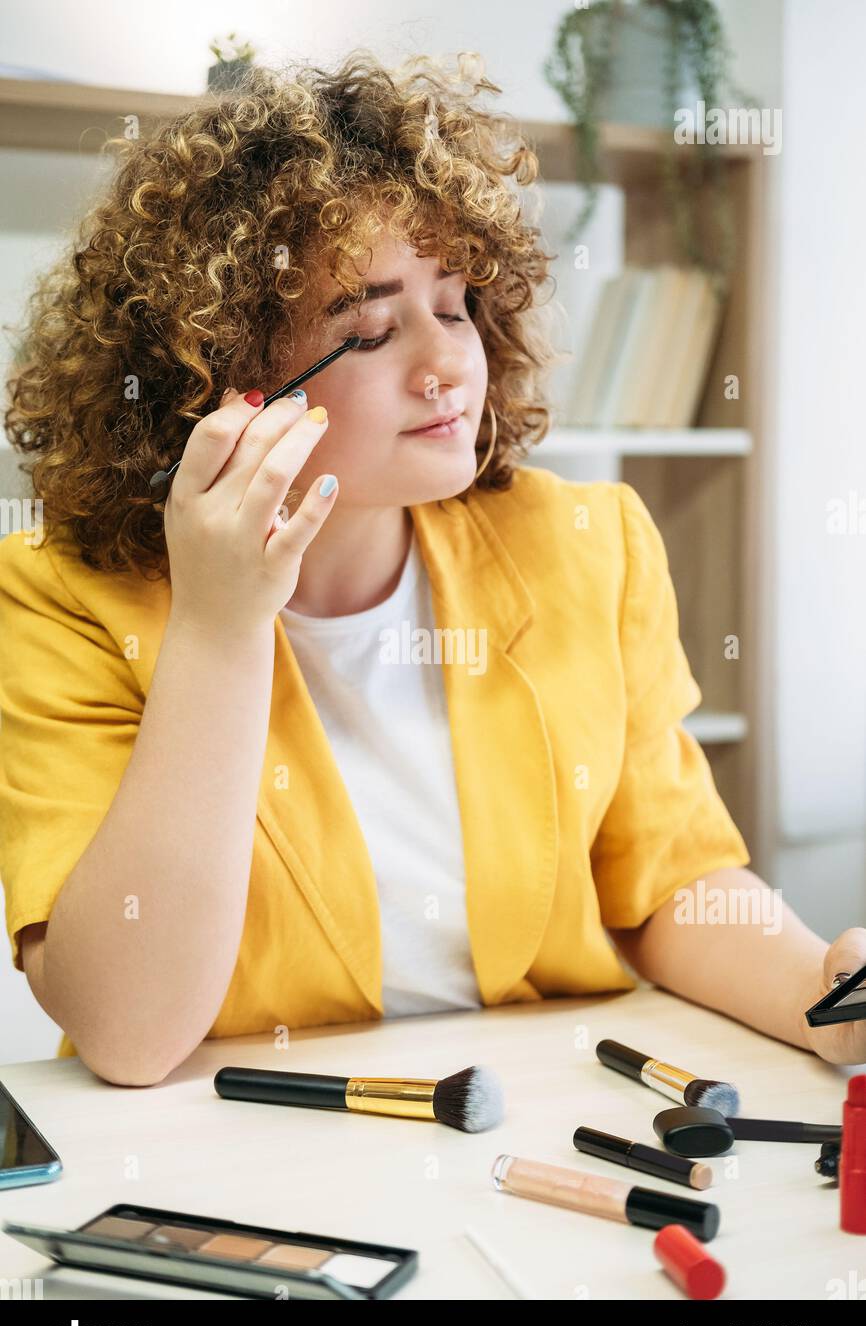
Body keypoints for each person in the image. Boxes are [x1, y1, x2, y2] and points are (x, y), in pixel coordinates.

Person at [1, 51, 863, 1085]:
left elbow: (668, 884)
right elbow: (130, 1030)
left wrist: (827, 1006)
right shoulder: (57, 596)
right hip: (243, 1164)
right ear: (217, 381)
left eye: (454, 304)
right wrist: (221, 626)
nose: (447, 361)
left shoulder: (587, 545)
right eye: (368, 328)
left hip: (539, 1131)